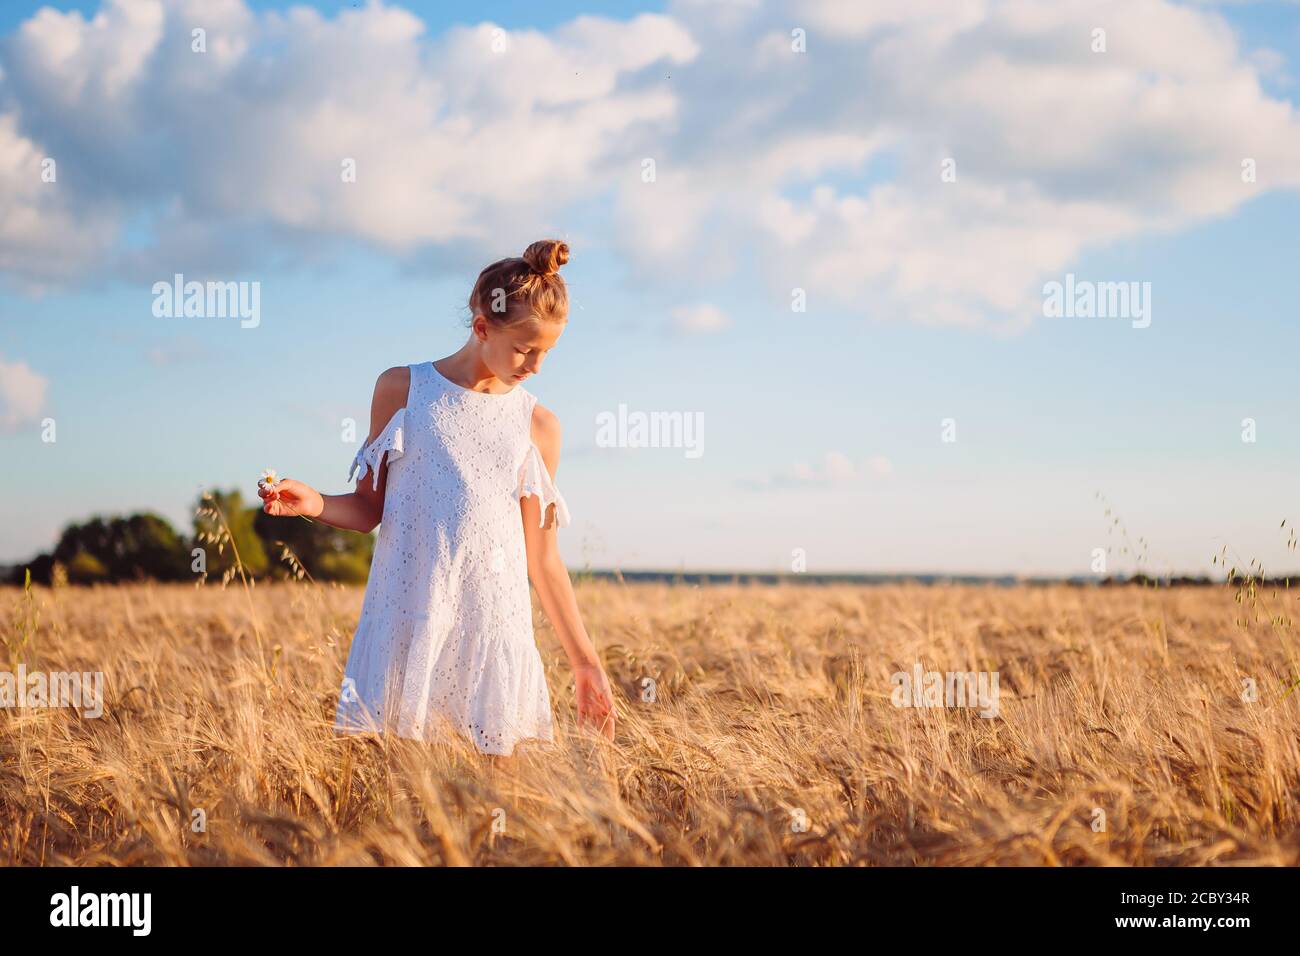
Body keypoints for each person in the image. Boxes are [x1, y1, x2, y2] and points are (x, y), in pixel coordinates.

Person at [258, 238, 616, 757]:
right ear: (481, 327)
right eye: (524, 348)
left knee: (496, 818)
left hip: (493, 636)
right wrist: (313, 502)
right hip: (409, 625)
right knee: (398, 806)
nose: (536, 365)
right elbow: (366, 510)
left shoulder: (538, 426)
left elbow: (543, 560)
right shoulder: (403, 390)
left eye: (547, 353)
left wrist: (586, 663)